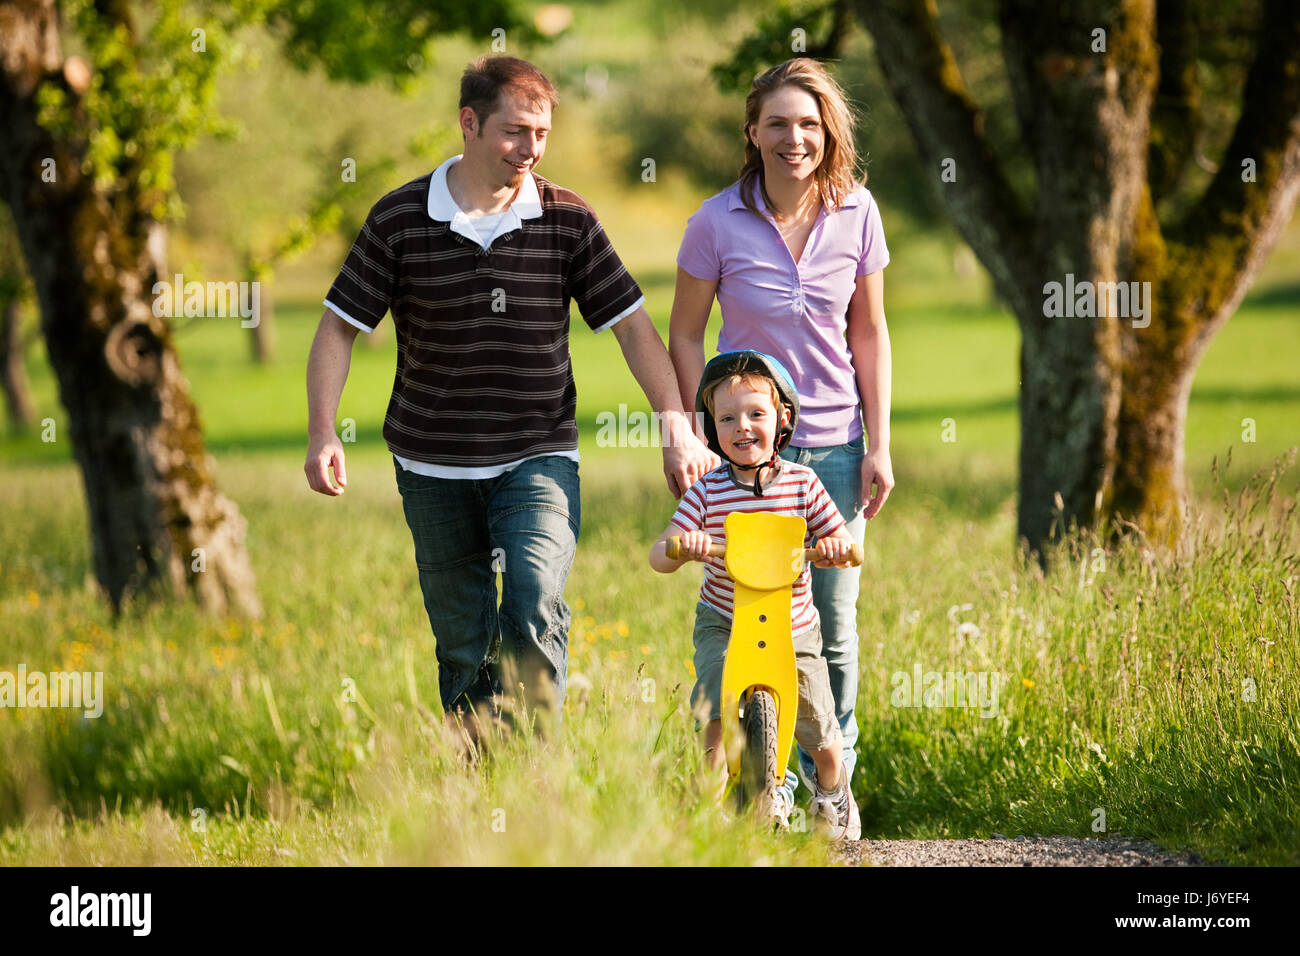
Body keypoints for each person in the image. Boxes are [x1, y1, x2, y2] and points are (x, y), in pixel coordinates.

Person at [305, 55, 713, 748]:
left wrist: (677, 424)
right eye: (515, 131)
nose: (531, 149)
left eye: (543, 133)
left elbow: (633, 329)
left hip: (537, 453)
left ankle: (534, 772)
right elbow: (339, 329)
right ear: (468, 123)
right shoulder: (400, 218)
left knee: (532, 597)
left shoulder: (567, 220)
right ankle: (484, 788)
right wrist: (322, 432)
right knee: (464, 642)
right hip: (432, 464)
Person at [668, 58, 893, 810]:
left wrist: (880, 443)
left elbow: (869, 331)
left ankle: (836, 784)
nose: (794, 138)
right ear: (752, 132)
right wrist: (700, 432)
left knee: (828, 625)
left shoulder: (858, 212)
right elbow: (686, 336)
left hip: (834, 448)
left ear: (828, 131)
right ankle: (771, 790)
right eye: (778, 124)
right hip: (747, 453)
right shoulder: (714, 221)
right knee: (744, 622)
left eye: (809, 124)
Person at [650, 351, 861, 839]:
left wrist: (833, 547)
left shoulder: (804, 484)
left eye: (755, 414)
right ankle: (708, 803)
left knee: (819, 727)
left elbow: (844, 544)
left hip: (793, 627)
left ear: (782, 418)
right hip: (725, 621)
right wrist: (684, 548)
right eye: (727, 418)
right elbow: (659, 554)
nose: (742, 427)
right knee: (717, 709)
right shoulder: (707, 491)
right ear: (712, 428)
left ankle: (831, 793)